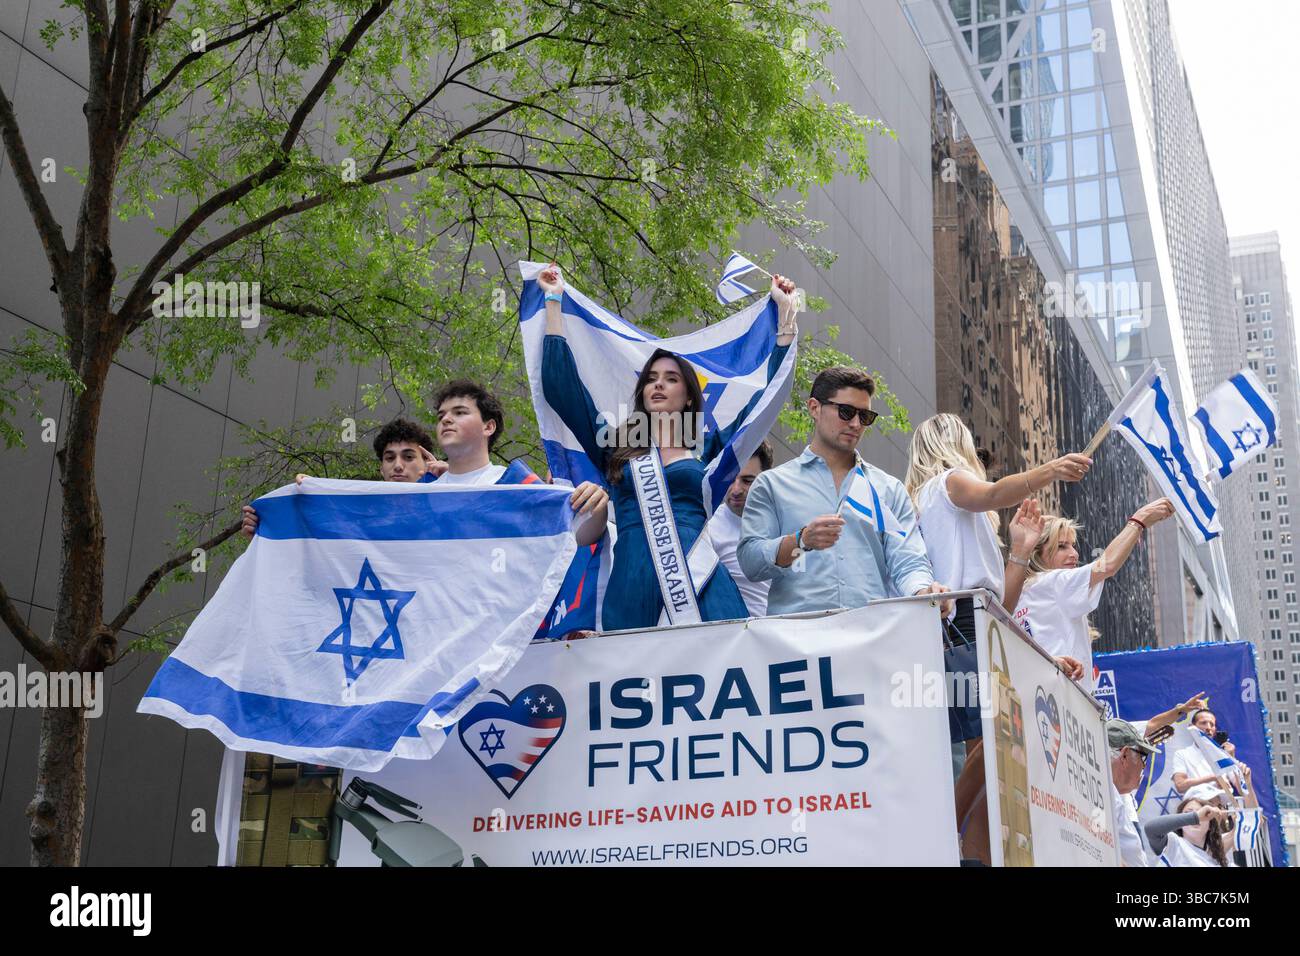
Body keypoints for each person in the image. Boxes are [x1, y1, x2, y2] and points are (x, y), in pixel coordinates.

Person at [538, 263, 798, 631]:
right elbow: (562, 388)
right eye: (651, 379)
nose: (658, 385)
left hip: (698, 579)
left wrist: (785, 322)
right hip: (632, 579)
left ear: (689, 396)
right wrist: (553, 301)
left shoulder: (710, 448)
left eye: (671, 379)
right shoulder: (616, 445)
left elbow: (763, 405)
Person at [737, 366, 949, 615]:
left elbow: (908, 559)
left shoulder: (888, 489)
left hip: (869, 635)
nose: (856, 424)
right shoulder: (772, 485)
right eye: (846, 412)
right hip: (797, 638)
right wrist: (800, 541)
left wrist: (924, 592)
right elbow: (751, 563)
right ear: (815, 408)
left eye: (865, 416)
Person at [1012, 497, 1175, 690]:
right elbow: (1108, 565)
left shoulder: (1019, 593)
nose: (1074, 554)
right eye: (1062, 546)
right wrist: (1138, 521)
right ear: (1036, 553)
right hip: (1060, 697)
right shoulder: (1052, 582)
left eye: (1073, 545)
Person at [707, 440, 774, 617]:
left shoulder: (786, 521)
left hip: (784, 634)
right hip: (734, 637)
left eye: (747, 481)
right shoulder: (707, 528)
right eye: (729, 479)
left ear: (767, 478)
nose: (736, 490)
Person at [1107, 718, 1159, 867]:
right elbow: (1099, 848)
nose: (1144, 766)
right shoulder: (1105, 795)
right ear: (1124, 755)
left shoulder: (1113, 795)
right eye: (1143, 757)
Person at [1170, 708, 1239, 803]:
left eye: (1212, 724)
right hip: (1196, 807)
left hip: (1222, 808)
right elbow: (1180, 786)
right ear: (1191, 727)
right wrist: (1214, 778)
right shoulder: (1182, 754)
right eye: (1203, 723)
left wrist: (1232, 757)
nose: (1208, 727)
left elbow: (1241, 787)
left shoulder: (1222, 754)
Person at [1146, 797, 1236, 867]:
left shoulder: (1217, 859)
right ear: (1181, 822)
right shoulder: (1173, 843)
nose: (1198, 818)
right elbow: (1150, 828)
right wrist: (1196, 816)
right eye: (1188, 813)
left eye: (1204, 815)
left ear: (1210, 826)